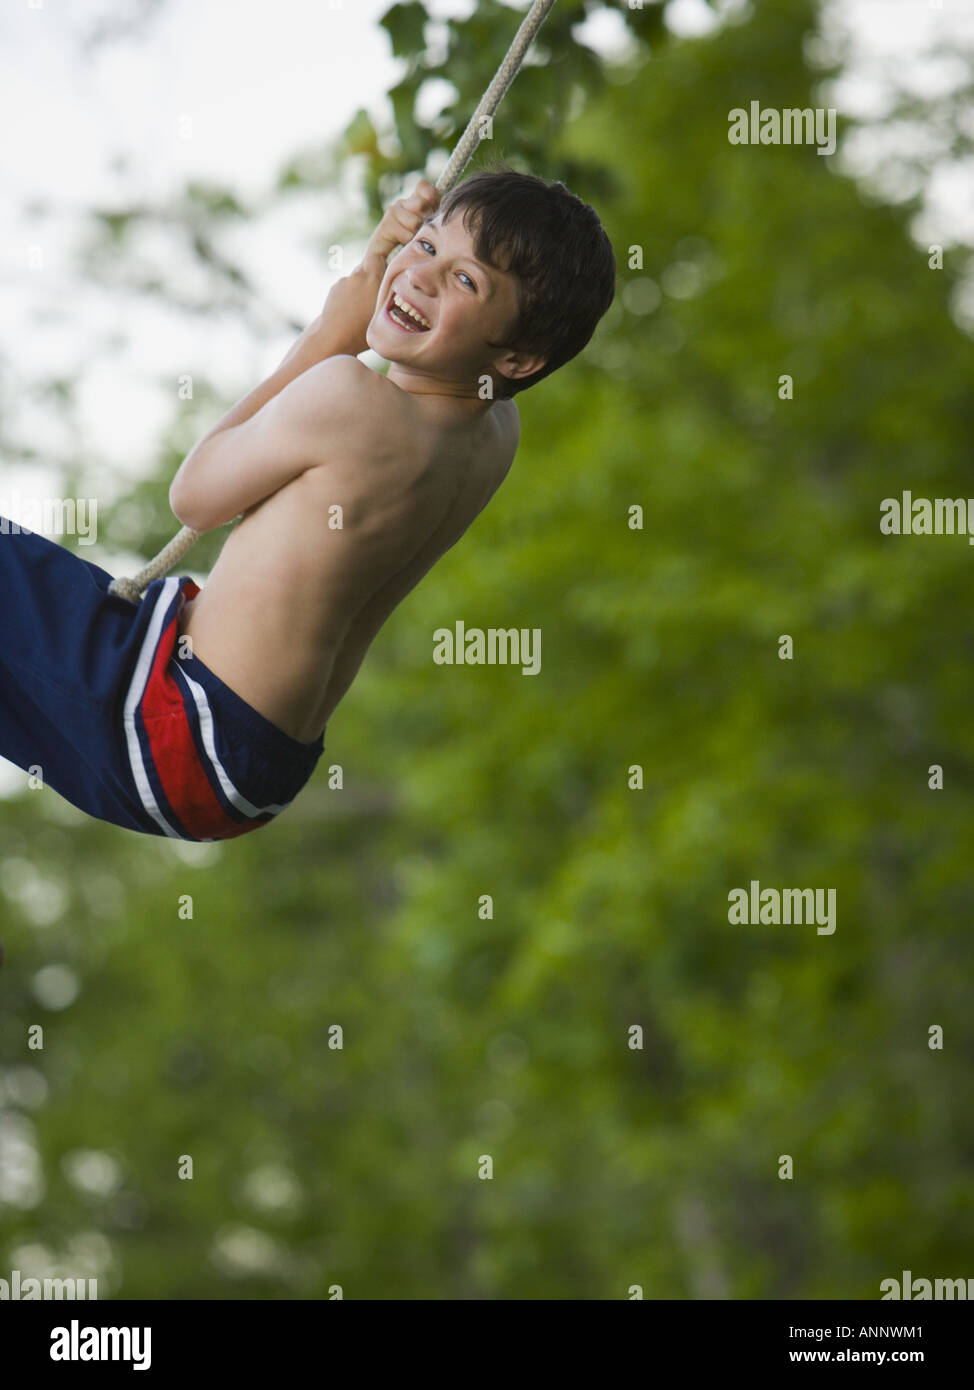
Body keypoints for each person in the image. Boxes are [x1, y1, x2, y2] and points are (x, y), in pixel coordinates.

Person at [0, 165, 616, 840]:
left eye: (467, 281)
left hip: (175, 728)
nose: (422, 275)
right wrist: (386, 270)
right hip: (247, 767)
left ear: (521, 359)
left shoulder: (349, 398)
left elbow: (195, 496)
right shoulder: (496, 435)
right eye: (430, 244)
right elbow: (433, 396)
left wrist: (334, 329)